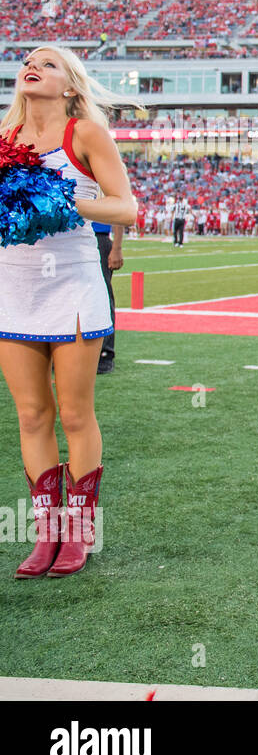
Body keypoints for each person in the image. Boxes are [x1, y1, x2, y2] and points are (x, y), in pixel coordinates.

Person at [0, 45, 138, 578]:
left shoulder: (84, 134)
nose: (33, 66)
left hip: (73, 282)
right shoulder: (5, 140)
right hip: (14, 284)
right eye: (28, 61)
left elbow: (125, 206)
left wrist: (60, 199)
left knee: (75, 413)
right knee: (32, 414)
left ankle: (79, 530)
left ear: (70, 86)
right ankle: (46, 533)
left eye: (49, 63)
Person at [93, 222, 124, 374]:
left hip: (98, 237)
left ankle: (105, 353)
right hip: (69, 239)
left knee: (102, 296)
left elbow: (119, 211)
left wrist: (117, 247)